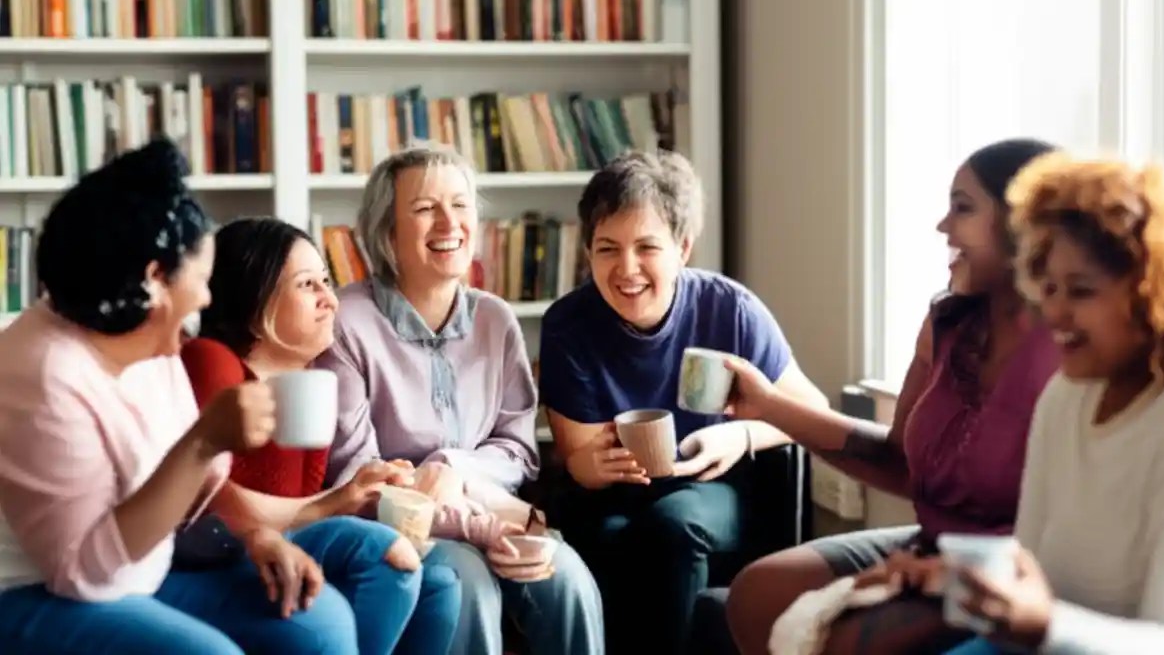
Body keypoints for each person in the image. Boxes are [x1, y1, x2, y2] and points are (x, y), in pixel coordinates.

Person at [0, 140, 367, 654]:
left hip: (146, 567)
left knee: (320, 622)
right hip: (39, 593)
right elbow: (85, 573)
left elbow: (201, 492)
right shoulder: (46, 374)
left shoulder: (146, 330)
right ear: (154, 280)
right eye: (200, 279)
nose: (208, 299)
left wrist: (254, 536)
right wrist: (202, 442)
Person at [723, 139, 1063, 654]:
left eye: (962, 208)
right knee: (757, 592)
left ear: (1021, 225)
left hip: (1009, 570)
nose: (942, 226)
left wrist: (940, 576)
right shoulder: (945, 325)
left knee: (859, 641)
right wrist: (767, 405)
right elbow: (898, 461)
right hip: (930, 544)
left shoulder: (1070, 348)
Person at [938, 154, 1164, 653]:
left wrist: (1044, 625)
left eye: (1080, 290)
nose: (1053, 311)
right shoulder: (1067, 394)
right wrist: (953, 578)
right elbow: (1032, 568)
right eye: (1047, 287)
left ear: (1156, 291)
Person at [311, 144, 606, 655]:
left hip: (489, 506)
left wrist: (454, 468)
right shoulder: (347, 324)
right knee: (466, 581)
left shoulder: (495, 319)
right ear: (386, 233)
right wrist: (481, 526)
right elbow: (359, 480)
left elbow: (518, 451)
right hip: (401, 530)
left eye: (461, 204)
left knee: (570, 578)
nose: (450, 222)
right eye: (425, 208)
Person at [537, 150, 828, 655]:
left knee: (672, 525)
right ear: (588, 252)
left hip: (711, 485)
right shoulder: (569, 325)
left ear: (683, 247)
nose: (626, 269)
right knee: (609, 531)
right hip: (615, 494)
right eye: (607, 249)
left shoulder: (729, 308)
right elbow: (575, 458)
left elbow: (812, 410)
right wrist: (592, 462)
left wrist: (738, 433)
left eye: (647, 246)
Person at [180, 216, 464, 655]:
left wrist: (361, 493)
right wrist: (336, 503)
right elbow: (215, 497)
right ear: (255, 302)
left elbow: (304, 508)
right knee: (388, 556)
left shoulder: (309, 382)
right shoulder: (212, 360)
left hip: (280, 547)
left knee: (441, 586)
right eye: (307, 284)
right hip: (217, 552)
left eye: (327, 281)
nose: (330, 299)